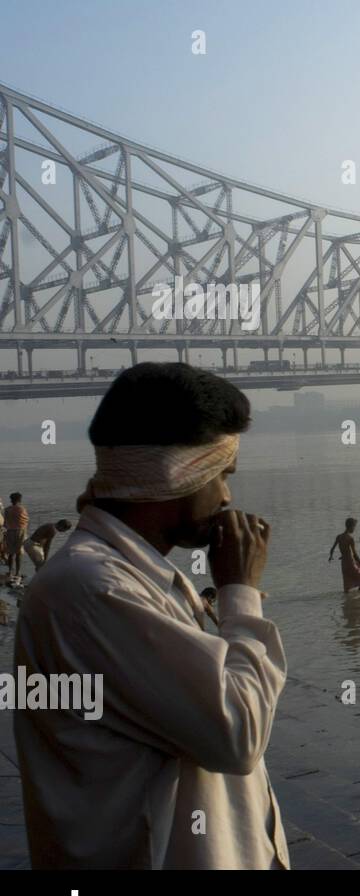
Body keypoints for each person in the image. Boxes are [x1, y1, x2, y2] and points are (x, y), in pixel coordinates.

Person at [13, 361, 289, 868]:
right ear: (180, 473)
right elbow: (237, 734)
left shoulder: (128, 575)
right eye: (222, 474)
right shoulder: (93, 590)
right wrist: (240, 592)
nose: (228, 496)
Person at [329, 518, 360, 592]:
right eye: (354, 527)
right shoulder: (350, 538)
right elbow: (355, 555)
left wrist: (331, 556)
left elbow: (332, 549)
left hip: (344, 564)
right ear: (351, 526)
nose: (354, 529)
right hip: (351, 563)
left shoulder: (339, 537)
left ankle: (348, 600)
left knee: (347, 584)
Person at [3, 492, 29, 584]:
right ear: (20, 500)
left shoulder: (7, 510)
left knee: (10, 553)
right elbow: (25, 521)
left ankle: (10, 572)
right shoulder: (22, 509)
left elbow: (5, 523)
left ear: (11, 500)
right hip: (20, 532)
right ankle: (17, 573)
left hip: (10, 532)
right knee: (19, 553)